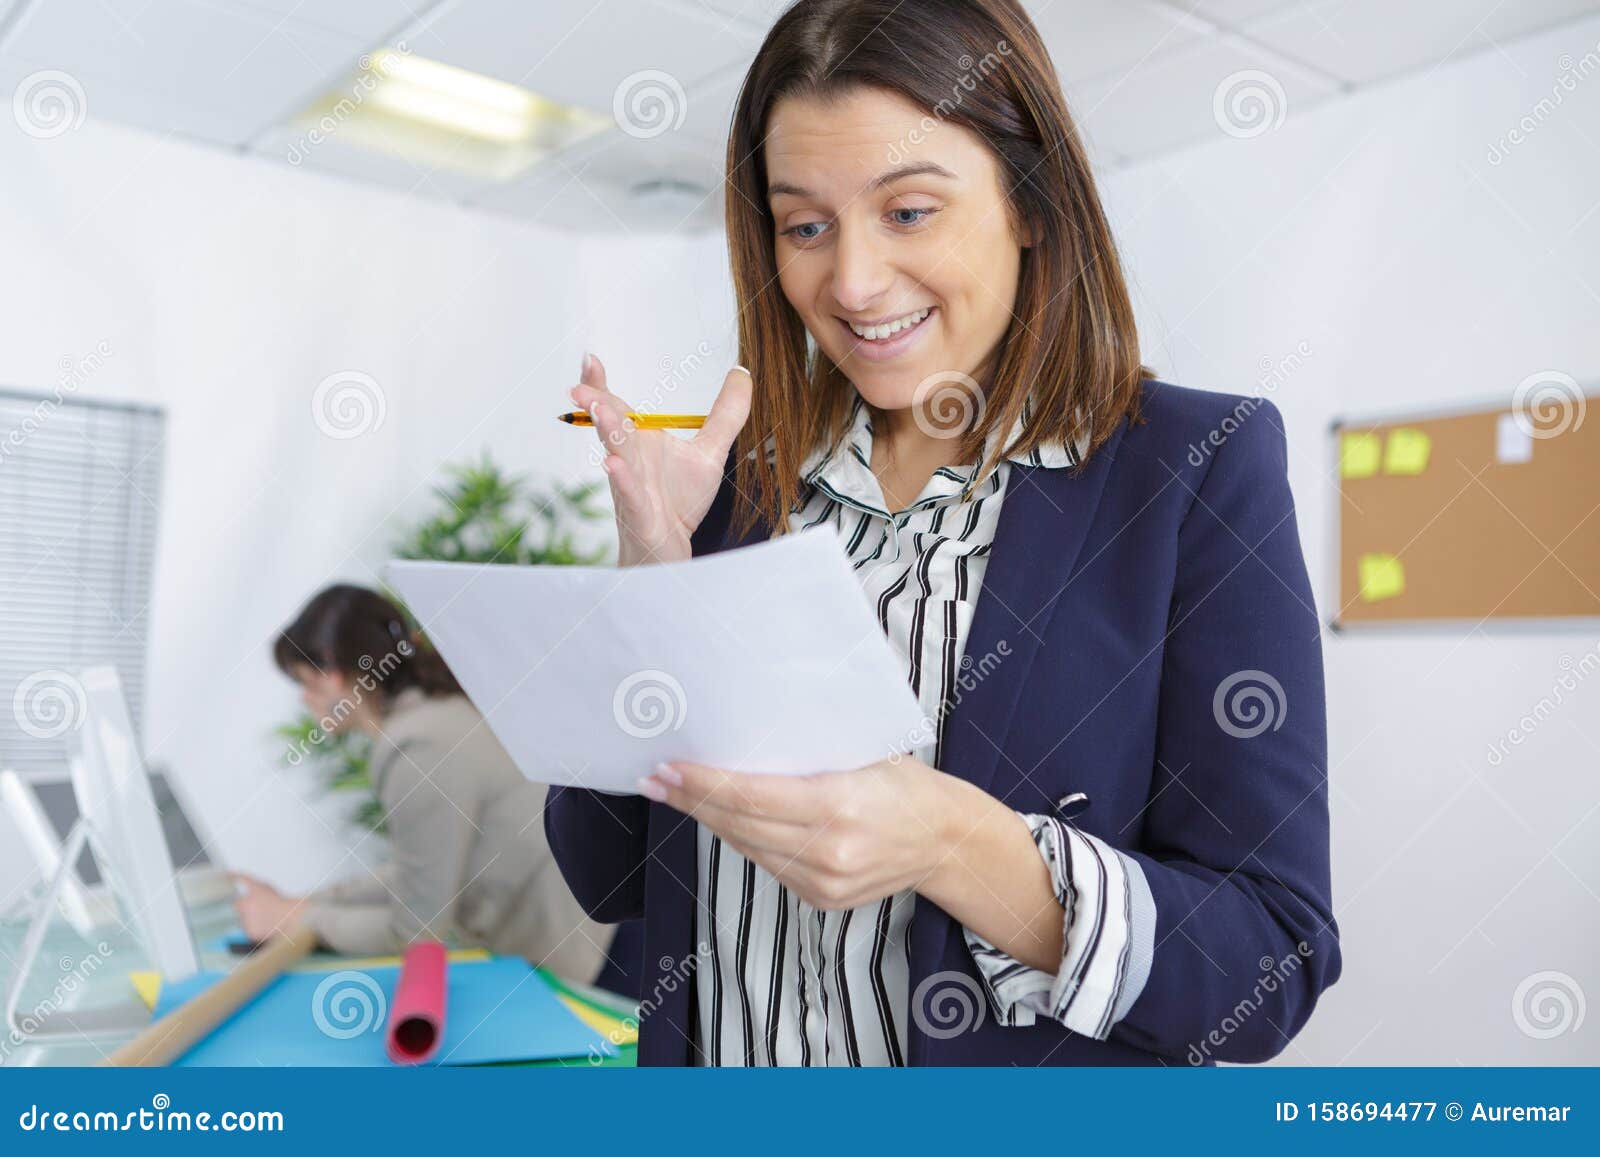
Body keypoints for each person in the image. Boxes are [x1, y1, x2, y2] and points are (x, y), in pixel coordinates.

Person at [546, 0, 1340, 1064]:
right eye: (805, 225)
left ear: (1030, 204)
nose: (853, 282)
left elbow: (1269, 961)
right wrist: (647, 592)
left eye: (908, 211)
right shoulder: (732, 488)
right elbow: (606, 870)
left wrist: (955, 840)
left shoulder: (1193, 470)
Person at [233, 583, 632, 989]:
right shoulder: (438, 710)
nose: (304, 700)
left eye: (305, 681)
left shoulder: (416, 750)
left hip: (601, 960)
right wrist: (314, 902)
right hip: (607, 931)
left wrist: (297, 919)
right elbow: (419, 870)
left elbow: (415, 934)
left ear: (333, 672)